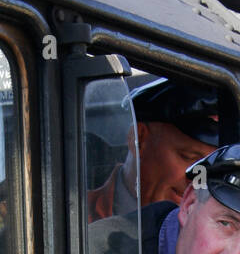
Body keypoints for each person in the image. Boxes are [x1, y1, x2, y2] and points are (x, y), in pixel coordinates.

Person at [87, 76, 220, 222]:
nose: (199, 180)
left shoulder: (216, 231)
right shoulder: (74, 217)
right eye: (188, 157)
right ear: (139, 138)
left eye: (211, 165)